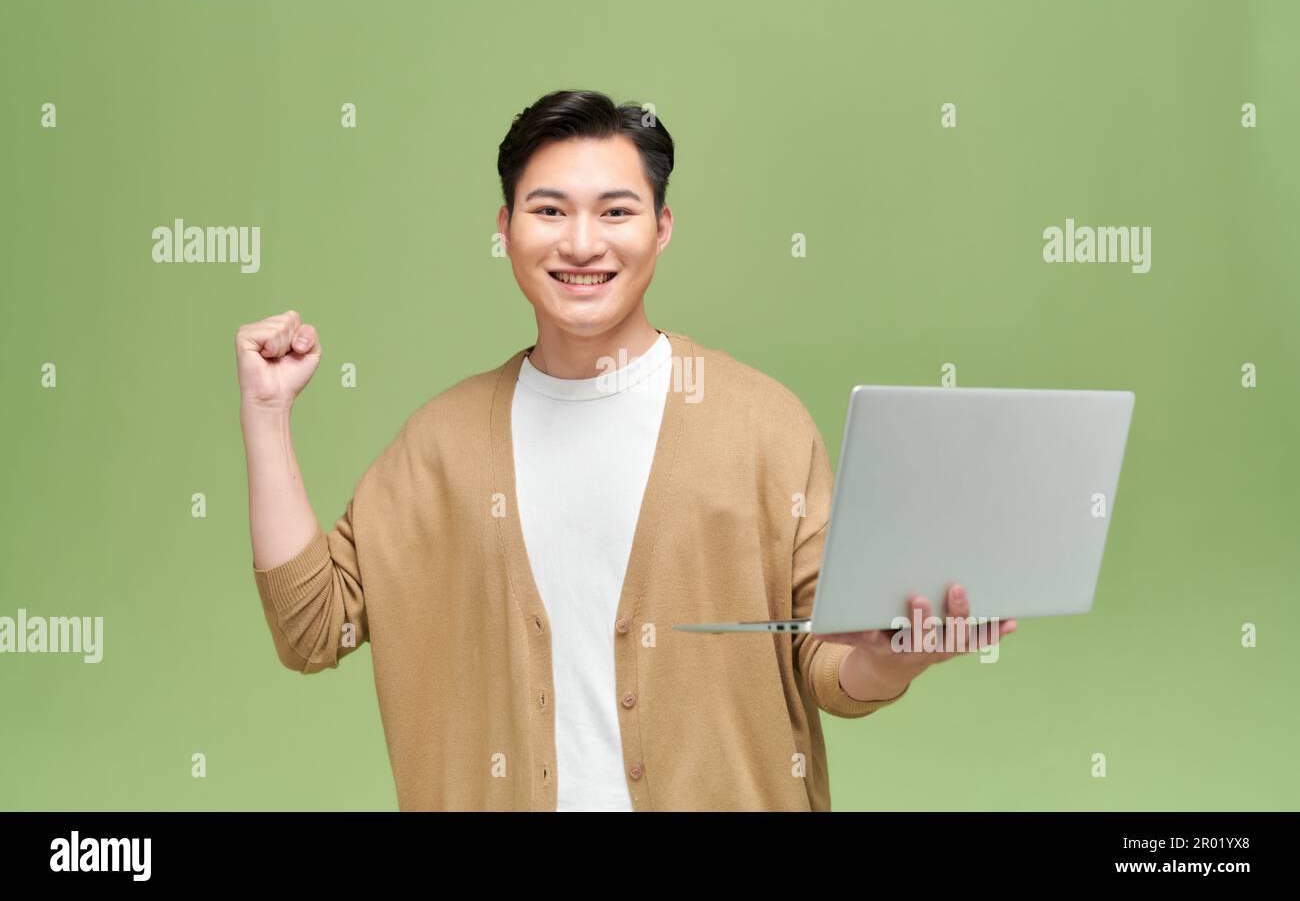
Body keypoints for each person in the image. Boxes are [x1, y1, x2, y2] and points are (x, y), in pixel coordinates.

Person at [234, 89, 1015, 811]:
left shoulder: (761, 424)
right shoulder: (441, 444)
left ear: (661, 228)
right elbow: (312, 629)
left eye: (615, 211)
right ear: (504, 229)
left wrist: (896, 659)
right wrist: (268, 415)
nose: (581, 244)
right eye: (548, 211)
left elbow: (826, 659)